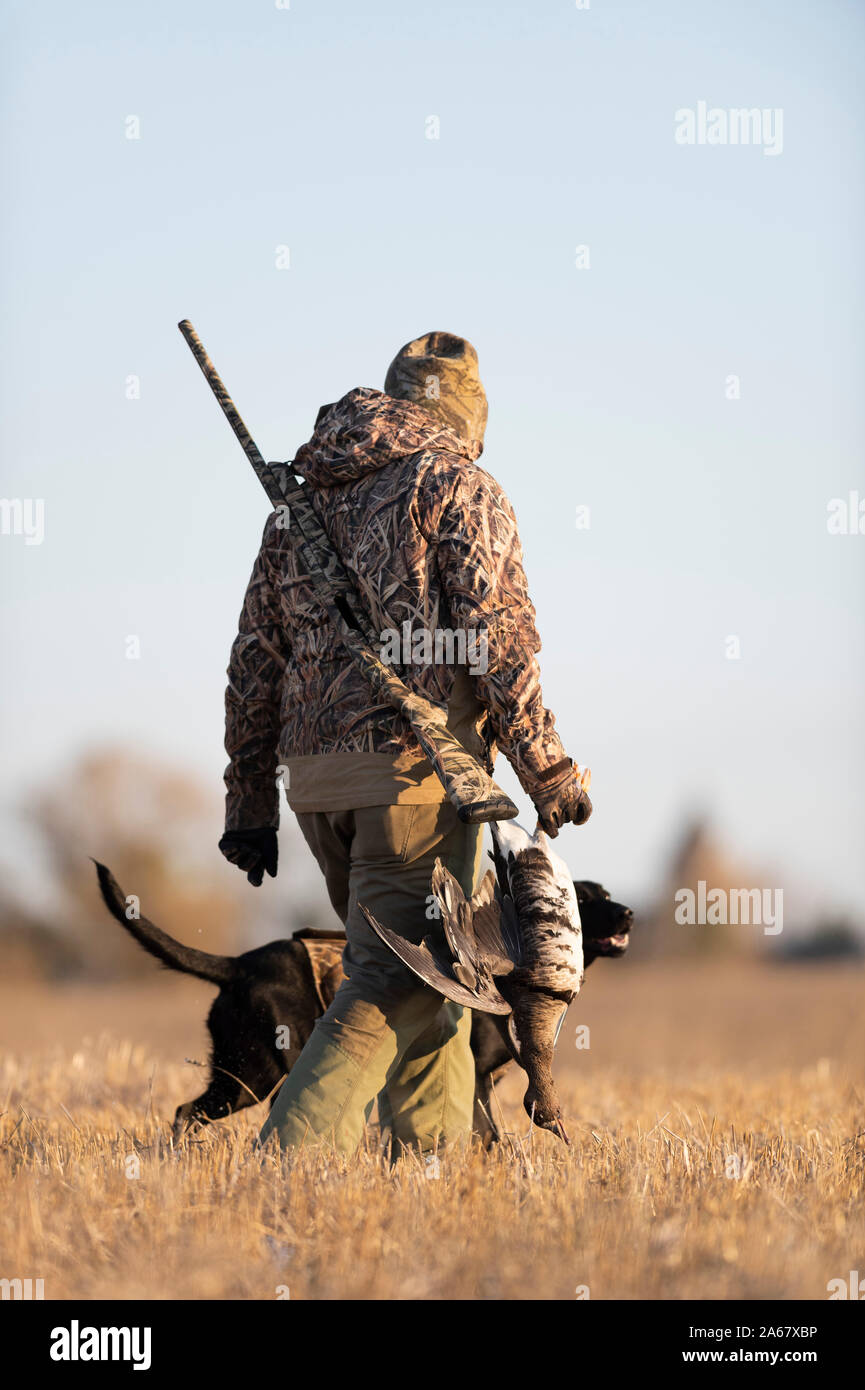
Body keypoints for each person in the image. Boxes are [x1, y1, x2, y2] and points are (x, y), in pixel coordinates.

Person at [218, 331, 591, 1156]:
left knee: (439, 983)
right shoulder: (460, 486)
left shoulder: (300, 500)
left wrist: (249, 800)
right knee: (392, 983)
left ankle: (434, 1171)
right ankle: (281, 1168)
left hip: (315, 786)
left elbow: (255, 660)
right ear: (469, 415)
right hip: (418, 781)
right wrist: (546, 766)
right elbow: (497, 639)